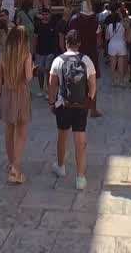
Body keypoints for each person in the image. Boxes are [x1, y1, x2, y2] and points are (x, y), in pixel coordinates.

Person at [49, 30, 97, 190]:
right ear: (79, 44)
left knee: (62, 135)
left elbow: (52, 84)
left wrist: (51, 102)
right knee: (80, 139)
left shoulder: (58, 60)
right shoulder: (87, 60)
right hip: (81, 105)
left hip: (63, 104)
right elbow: (92, 84)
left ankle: (61, 166)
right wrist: (89, 99)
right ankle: (80, 177)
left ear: (66, 43)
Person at [0, 25, 33, 184]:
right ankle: (16, 170)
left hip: (7, 92)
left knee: (9, 131)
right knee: (22, 133)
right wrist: (32, 67)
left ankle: (11, 163)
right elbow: (29, 77)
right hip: (21, 92)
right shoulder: (26, 54)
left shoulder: (4, 54)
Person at [68, 1, 102, 117]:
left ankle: (77, 107)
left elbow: (70, 37)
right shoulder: (94, 21)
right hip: (91, 55)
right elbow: (98, 39)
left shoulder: (74, 21)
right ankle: (93, 109)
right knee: (92, 82)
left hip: (77, 54)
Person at [105, 5, 129, 86]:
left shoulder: (109, 26)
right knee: (120, 66)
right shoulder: (123, 25)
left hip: (112, 46)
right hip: (121, 45)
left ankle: (113, 81)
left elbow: (107, 38)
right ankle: (121, 81)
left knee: (112, 65)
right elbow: (126, 35)